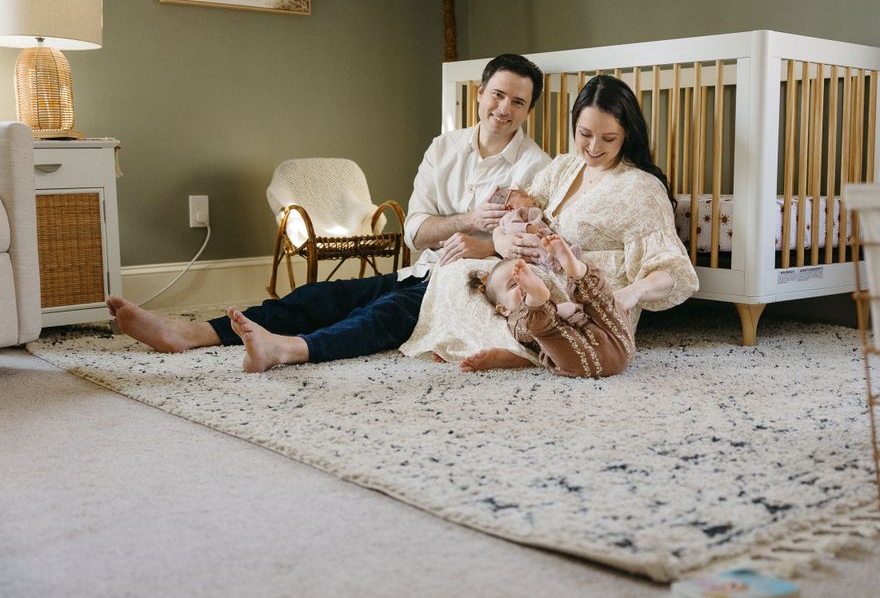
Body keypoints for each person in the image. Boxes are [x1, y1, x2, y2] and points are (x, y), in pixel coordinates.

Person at [107, 53, 551, 372]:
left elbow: (533, 256)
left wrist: (485, 246)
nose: (503, 109)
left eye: (518, 102)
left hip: (468, 287)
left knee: (382, 314)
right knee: (320, 296)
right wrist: (471, 219)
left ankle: (287, 350)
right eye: (498, 95)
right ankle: (192, 333)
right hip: (425, 269)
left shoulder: (537, 169)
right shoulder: (444, 148)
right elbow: (415, 232)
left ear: (529, 110)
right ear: (479, 93)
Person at [455, 74, 699, 372]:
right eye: (585, 134)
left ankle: (518, 347)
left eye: (608, 138)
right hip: (529, 281)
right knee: (457, 273)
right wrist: (500, 241)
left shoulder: (640, 188)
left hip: (584, 304)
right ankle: (520, 346)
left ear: (627, 133)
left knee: (544, 311)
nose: (593, 147)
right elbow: (520, 209)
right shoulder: (564, 167)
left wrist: (629, 294)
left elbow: (674, 271)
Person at [469, 234, 634, 378]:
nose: (523, 285)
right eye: (513, 285)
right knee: (539, 325)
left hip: (619, 341)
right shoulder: (515, 320)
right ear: (503, 309)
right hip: (583, 358)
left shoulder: (552, 303)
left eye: (525, 277)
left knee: (601, 301)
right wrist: (549, 307)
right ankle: (536, 302)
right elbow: (527, 334)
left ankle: (579, 272)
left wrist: (573, 308)